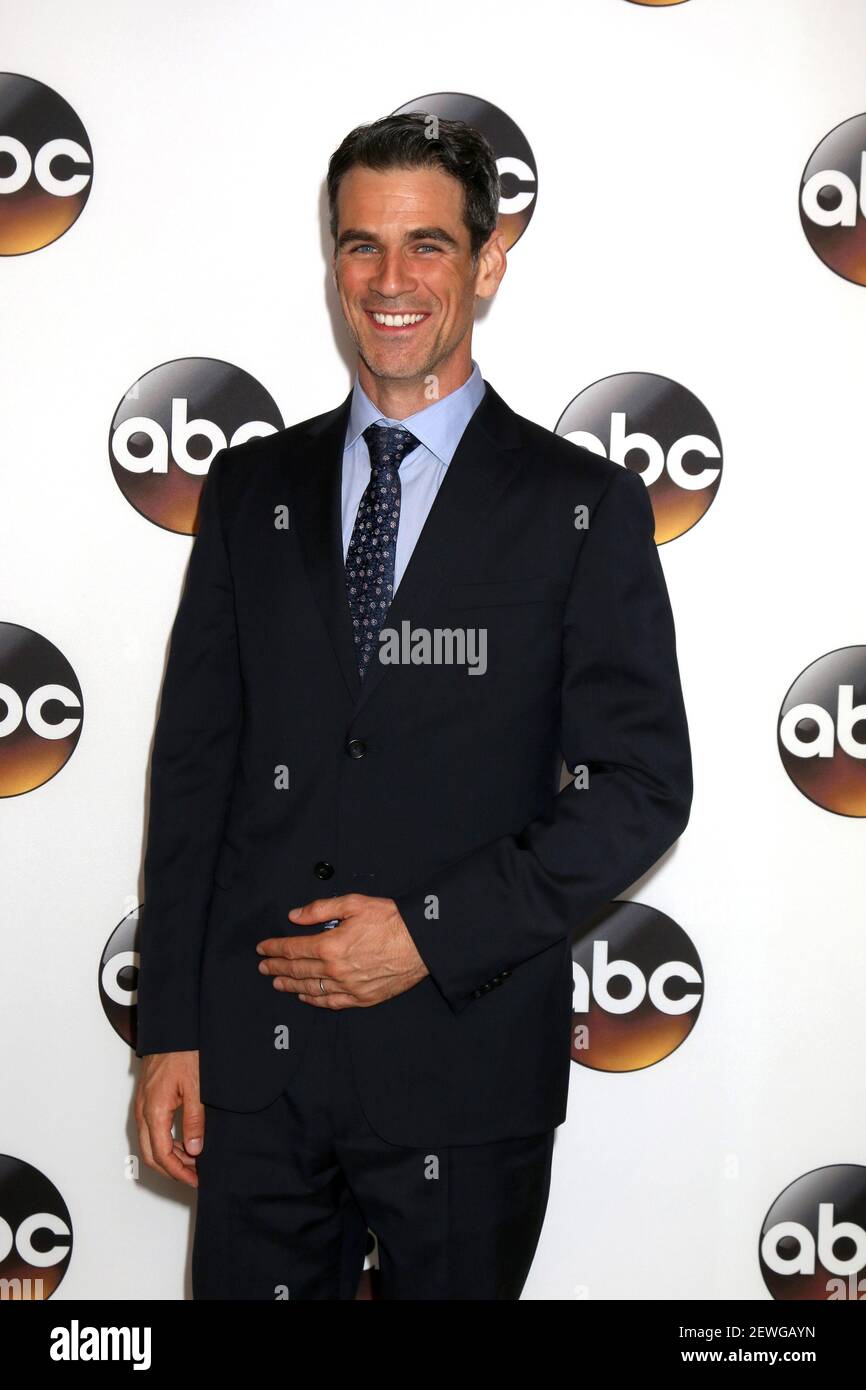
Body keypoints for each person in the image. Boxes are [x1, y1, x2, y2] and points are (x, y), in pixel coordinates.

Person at [134, 112, 692, 1300]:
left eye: (427, 245)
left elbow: (637, 791)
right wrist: (168, 1031)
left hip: (464, 1066)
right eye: (360, 246)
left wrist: (428, 933)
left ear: (487, 265)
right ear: (331, 260)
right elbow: (194, 775)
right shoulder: (248, 488)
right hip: (257, 1069)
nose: (390, 282)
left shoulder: (578, 505)